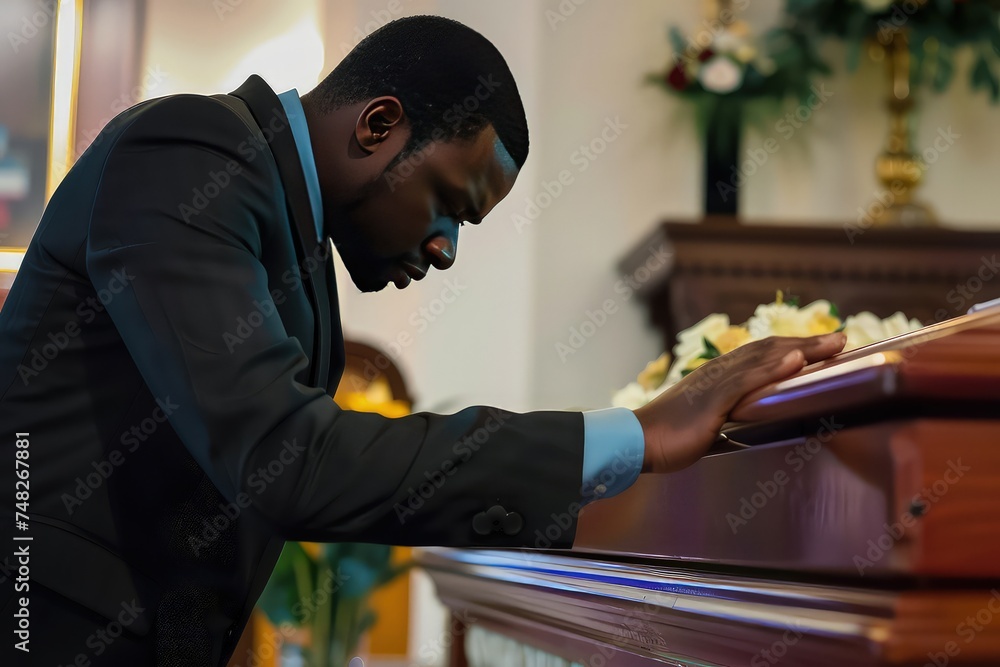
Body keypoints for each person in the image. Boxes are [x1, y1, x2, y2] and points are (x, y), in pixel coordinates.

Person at [0, 15, 846, 666]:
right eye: (449, 203)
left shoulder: (289, 243)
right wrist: (636, 434)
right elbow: (288, 461)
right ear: (378, 126)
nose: (444, 246)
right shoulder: (186, 150)